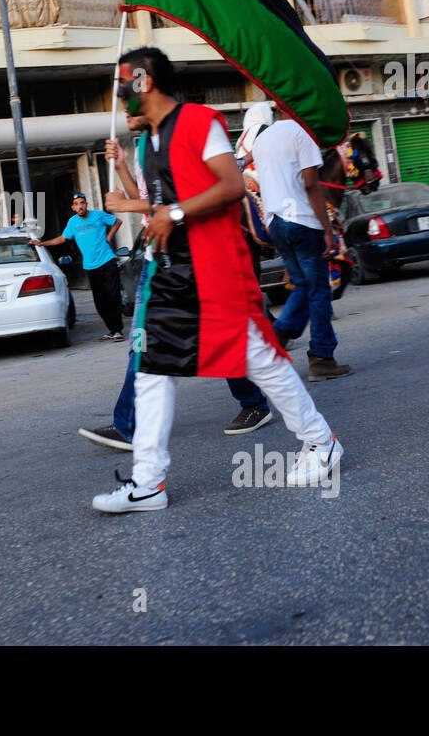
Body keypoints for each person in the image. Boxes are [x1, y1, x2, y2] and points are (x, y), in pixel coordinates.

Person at [91, 48, 344, 513]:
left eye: (123, 81)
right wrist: (143, 201)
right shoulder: (151, 141)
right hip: (170, 272)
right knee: (151, 371)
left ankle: (320, 442)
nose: (118, 91)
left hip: (213, 271)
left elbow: (229, 186)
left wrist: (175, 212)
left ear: (144, 82)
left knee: (260, 360)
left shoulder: (199, 122)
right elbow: (161, 204)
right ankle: (148, 483)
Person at [251, 105, 353, 381]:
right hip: (301, 221)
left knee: (304, 284)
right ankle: (320, 356)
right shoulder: (303, 134)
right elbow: (311, 185)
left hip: (275, 222)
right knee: (319, 290)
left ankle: (280, 334)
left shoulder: (262, 139)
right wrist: (327, 228)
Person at [31, 194, 124, 340]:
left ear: (86, 204)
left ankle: (118, 330)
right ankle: (112, 330)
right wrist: (42, 244)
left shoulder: (98, 215)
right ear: (73, 208)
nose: (80, 206)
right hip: (90, 266)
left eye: (82, 203)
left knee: (113, 297)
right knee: (100, 302)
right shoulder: (73, 222)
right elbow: (62, 238)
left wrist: (109, 237)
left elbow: (118, 221)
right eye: (76, 204)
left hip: (107, 261)